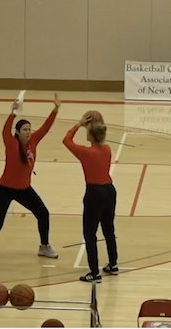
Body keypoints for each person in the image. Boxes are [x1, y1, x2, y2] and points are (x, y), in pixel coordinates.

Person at [0, 94, 61, 271]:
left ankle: (44, 246)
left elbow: (46, 127)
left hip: (24, 190)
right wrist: (13, 112)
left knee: (43, 213)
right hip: (4, 190)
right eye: (25, 130)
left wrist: (55, 109)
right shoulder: (11, 143)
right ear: (18, 132)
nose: (29, 132)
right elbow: (5, 130)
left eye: (30, 129)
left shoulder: (34, 142)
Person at [63, 113, 118, 283]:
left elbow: (66, 141)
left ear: (91, 134)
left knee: (90, 234)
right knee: (109, 230)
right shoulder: (107, 149)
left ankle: (94, 272)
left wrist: (78, 124)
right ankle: (113, 264)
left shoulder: (86, 153)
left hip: (94, 193)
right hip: (110, 191)